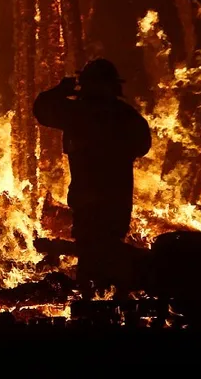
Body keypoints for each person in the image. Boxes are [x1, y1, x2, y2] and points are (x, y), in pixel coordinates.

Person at [33, 58, 151, 294]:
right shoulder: (127, 116)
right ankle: (113, 301)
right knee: (108, 250)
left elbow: (43, 110)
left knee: (91, 255)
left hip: (88, 201)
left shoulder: (78, 113)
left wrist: (61, 90)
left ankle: (92, 306)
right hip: (117, 201)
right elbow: (142, 145)